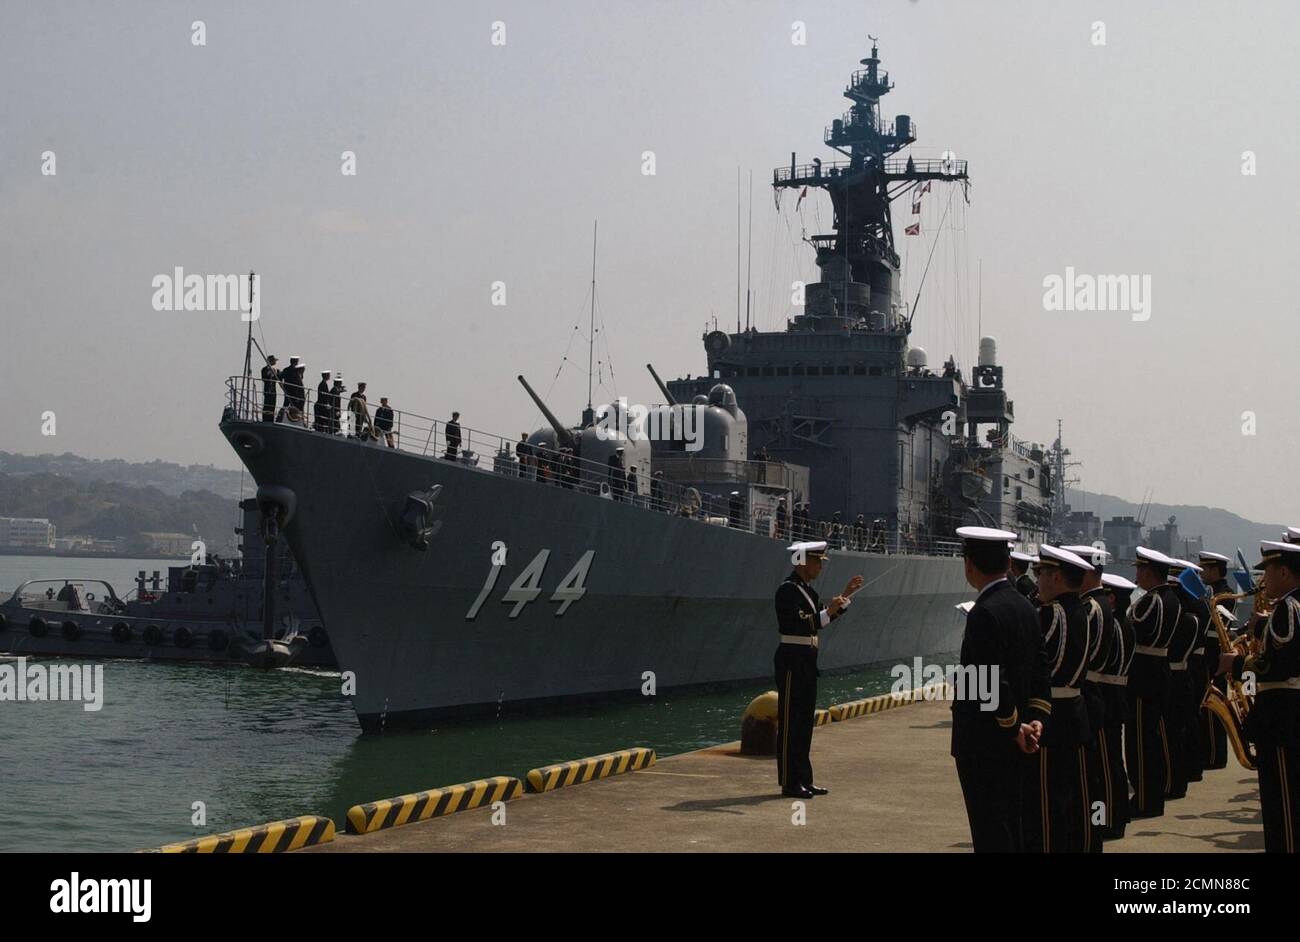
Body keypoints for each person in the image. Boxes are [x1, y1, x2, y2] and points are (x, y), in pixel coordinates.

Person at [951, 527, 1051, 852]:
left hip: (986, 741)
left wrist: (1013, 725)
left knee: (990, 831)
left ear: (969, 564)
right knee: (1012, 825)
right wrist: (1034, 719)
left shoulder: (983, 612)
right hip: (1019, 739)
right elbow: (1040, 669)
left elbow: (987, 681)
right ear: (1008, 561)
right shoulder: (1025, 606)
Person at [1217, 540, 1300, 852]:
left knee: (1283, 803)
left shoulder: (1288, 610)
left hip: (1282, 715)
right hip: (1287, 713)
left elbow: (1279, 665)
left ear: (1284, 572)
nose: (1264, 580)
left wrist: (1236, 663)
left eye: (1268, 572)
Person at [774, 541, 864, 799]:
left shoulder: (808, 592)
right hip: (792, 659)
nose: (819, 567)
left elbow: (820, 622)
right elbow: (800, 624)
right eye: (816, 562)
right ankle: (789, 782)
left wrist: (843, 600)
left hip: (806, 659)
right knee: (791, 722)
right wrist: (830, 610)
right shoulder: (787, 591)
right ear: (802, 562)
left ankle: (804, 778)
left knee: (804, 723)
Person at [1024, 544, 1095, 853]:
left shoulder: (1052, 612)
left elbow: (1037, 662)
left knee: (1044, 800)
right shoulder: (1082, 608)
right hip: (1074, 709)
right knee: (1067, 795)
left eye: (1041, 574)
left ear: (1055, 577)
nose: (1037, 580)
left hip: (1051, 713)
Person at [1063, 544, 1115, 848]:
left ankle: (1087, 835)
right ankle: (1091, 831)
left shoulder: (1090, 608)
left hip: (1088, 692)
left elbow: (1084, 656)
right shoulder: (1101, 605)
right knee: (1091, 774)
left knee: (1086, 777)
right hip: (1095, 691)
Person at [1127, 547, 1181, 819]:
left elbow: (1133, 632)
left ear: (1149, 572)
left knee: (1140, 742)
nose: (1137, 574)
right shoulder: (1172, 598)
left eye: (1140, 569)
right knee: (1154, 738)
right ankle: (1152, 796)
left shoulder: (1151, 601)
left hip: (1143, 674)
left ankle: (1145, 799)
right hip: (1160, 670)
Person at [1099, 572, 1138, 840]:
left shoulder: (1110, 625)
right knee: (1114, 762)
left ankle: (1105, 820)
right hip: (1118, 695)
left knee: (1101, 767)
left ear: (1111, 598)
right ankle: (1118, 816)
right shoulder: (1128, 625)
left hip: (1104, 696)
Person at [1197, 550, 1233, 770]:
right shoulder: (1213, 592)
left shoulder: (1224, 594)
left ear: (1214, 570)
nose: (1203, 574)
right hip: (1210, 649)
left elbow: (1215, 622)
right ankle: (1211, 752)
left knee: (1213, 704)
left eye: (1206, 570)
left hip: (1214, 650)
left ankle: (1214, 755)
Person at [280, 356, 307, 423]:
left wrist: (283, 386)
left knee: (286, 405)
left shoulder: (286, 370)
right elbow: (296, 386)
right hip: (294, 394)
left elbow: (280, 377)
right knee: (295, 409)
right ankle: (298, 421)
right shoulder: (295, 372)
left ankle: (282, 418)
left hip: (288, 392)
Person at [260, 355, 280, 422]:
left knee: (272, 406)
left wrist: (275, 373)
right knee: (266, 405)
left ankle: (271, 419)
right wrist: (269, 373)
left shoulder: (276, 370)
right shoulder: (264, 369)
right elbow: (264, 378)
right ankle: (265, 419)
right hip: (267, 390)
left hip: (273, 391)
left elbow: (279, 378)